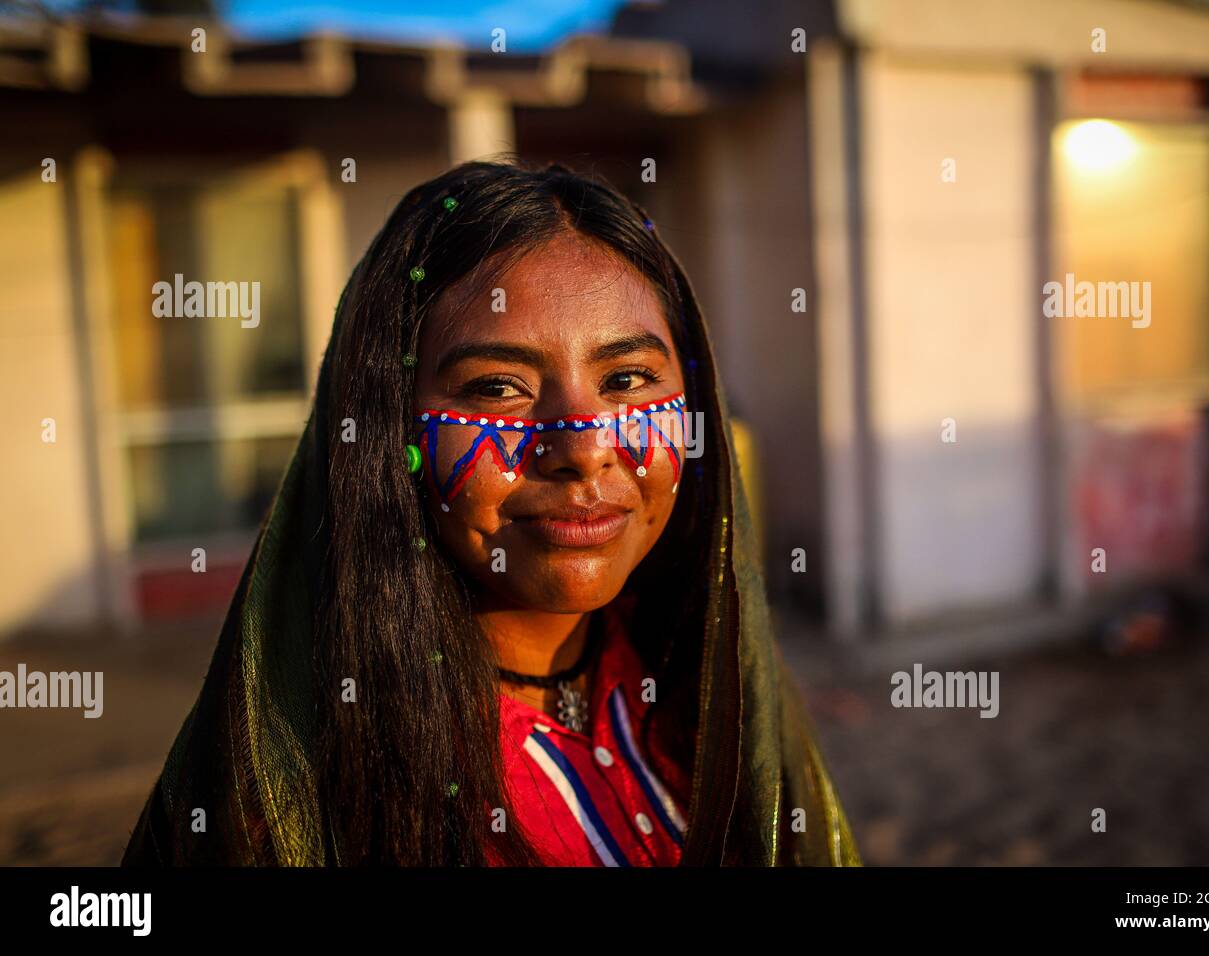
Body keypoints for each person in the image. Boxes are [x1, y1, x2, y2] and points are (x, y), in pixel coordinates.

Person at [121, 159, 860, 866]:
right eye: (497, 389)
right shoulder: (287, 793)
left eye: (628, 378)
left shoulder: (713, 689)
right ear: (386, 430)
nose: (582, 446)